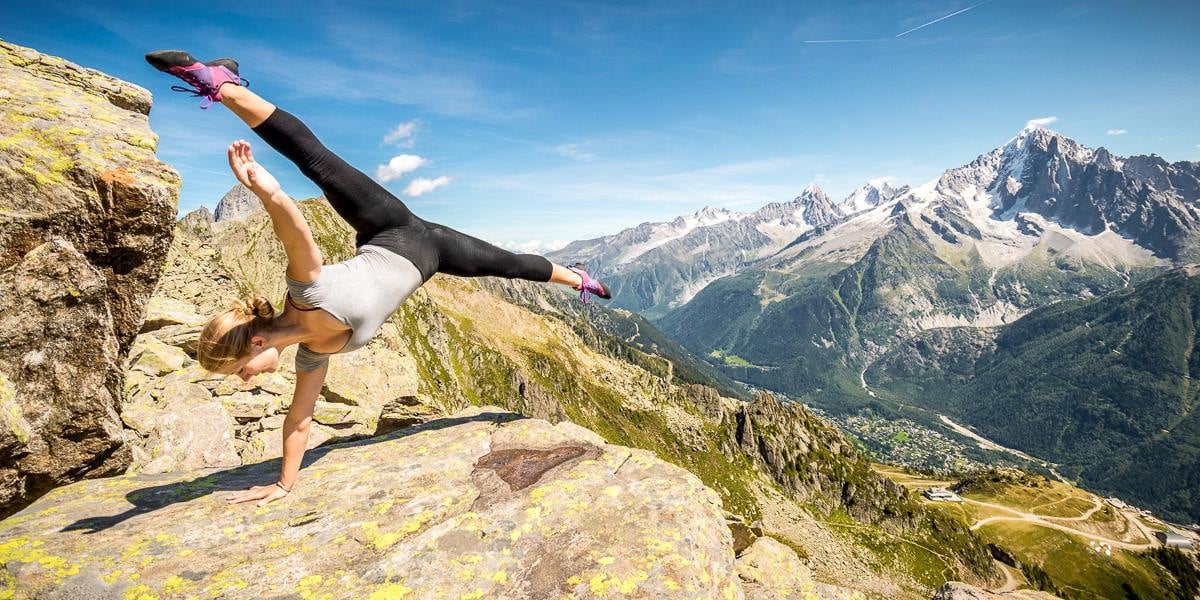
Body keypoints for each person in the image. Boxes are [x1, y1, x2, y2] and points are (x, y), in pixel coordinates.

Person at [145, 50, 611, 507]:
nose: (245, 382)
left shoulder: (307, 294)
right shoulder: (310, 355)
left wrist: (270, 194)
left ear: (255, 345)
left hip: (390, 227)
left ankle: (218, 82)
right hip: (434, 254)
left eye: (239, 373)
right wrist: (285, 484)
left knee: (318, 162)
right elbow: (300, 420)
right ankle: (577, 277)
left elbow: (298, 235)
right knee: (508, 263)